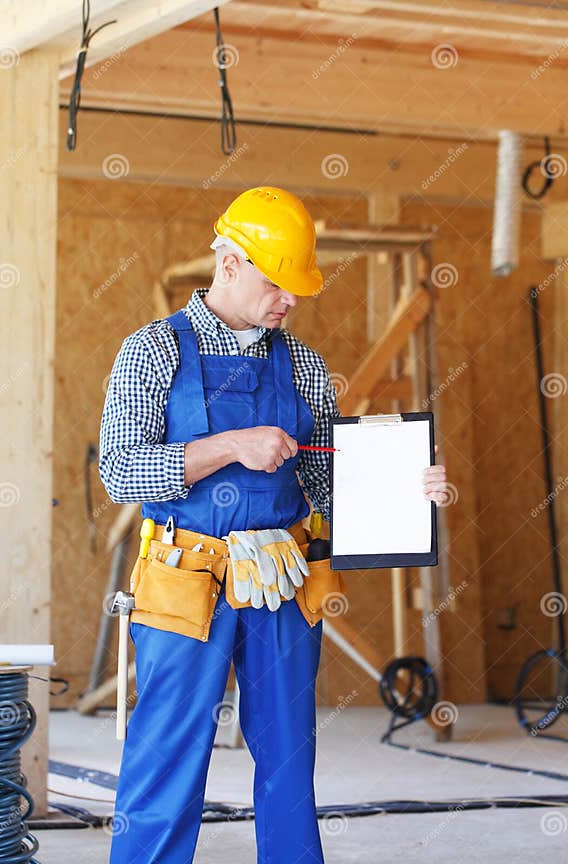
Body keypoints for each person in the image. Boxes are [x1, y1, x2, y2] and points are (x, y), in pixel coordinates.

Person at [99, 186, 449, 863]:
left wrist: (408, 488)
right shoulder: (151, 352)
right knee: (167, 755)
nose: (289, 300)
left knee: (289, 759)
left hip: (281, 584)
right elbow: (120, 470)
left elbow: (326, 484)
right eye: (276, 283)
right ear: (228, 264)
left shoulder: (305, 365)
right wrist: (233, 445)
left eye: (296, 288)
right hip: (185, 581)